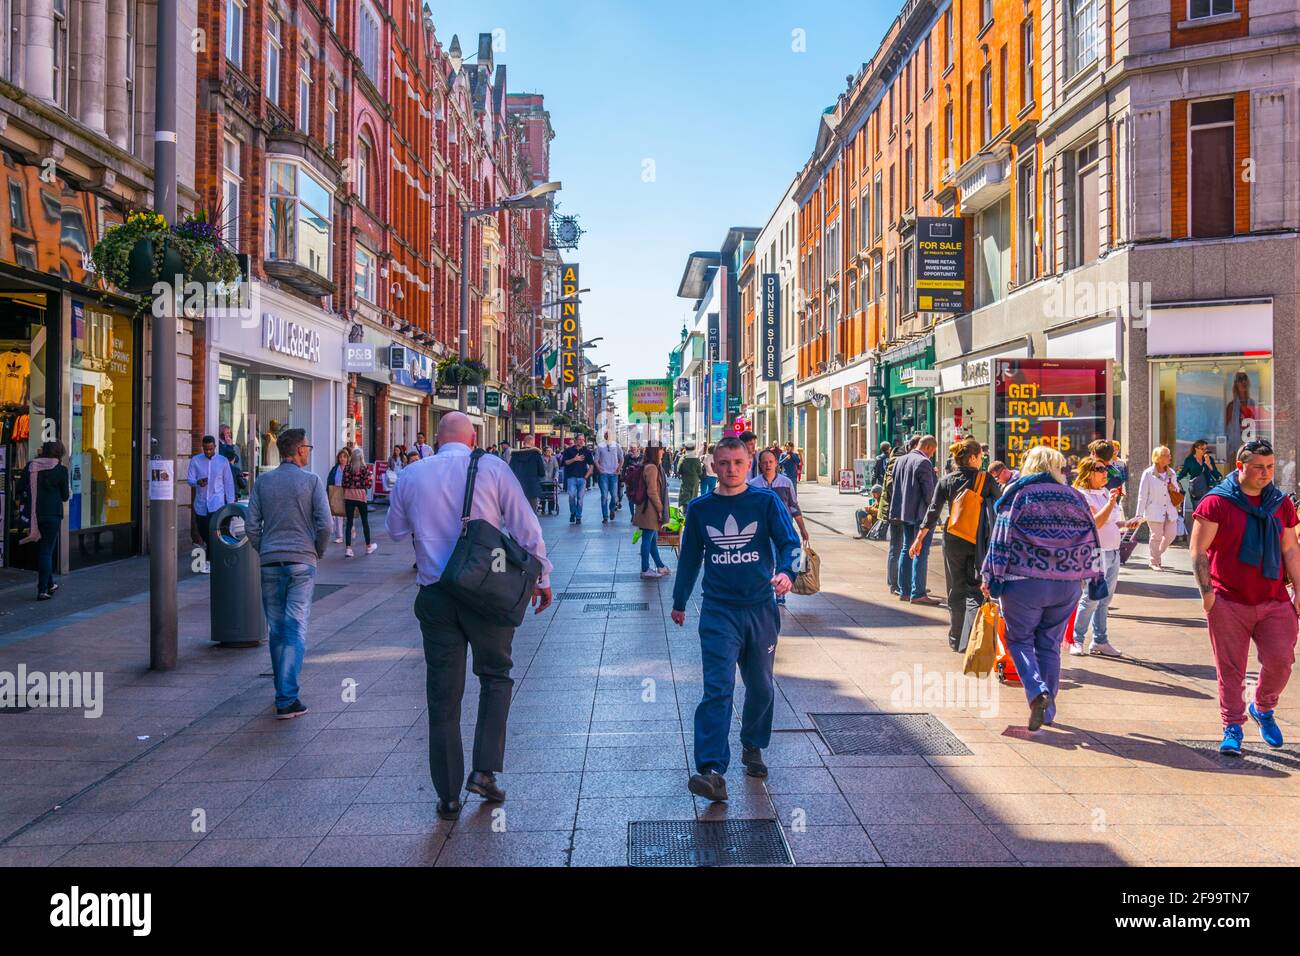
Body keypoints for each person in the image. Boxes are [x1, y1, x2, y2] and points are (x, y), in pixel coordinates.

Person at [385, 412, 553, 820]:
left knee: (443, 695)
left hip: (436, 596)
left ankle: (447, 796)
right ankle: (484, 771)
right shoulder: (492, 468)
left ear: (436, 438)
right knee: (495, 677)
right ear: (473, 438)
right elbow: (525, 525)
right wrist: (542, 575)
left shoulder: (411, 474)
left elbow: (395, 530)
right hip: (485, 591)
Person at [671, 437, 799, 802]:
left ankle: (753, 744)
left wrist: (787, 572)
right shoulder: (700, 509)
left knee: (761, 686)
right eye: (724, 463)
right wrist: (680, 600)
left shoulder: (766, 502)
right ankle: (711, 770)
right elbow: (690, 558)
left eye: (738, 462)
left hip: (760, 609)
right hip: (718, 612)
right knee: (718, 689)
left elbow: (789, 543)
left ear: (748, 464)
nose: (731, 469)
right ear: (713, 466)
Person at [981, 445, 1106, 731]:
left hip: (1023, 583)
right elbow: (1093, 539)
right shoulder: (1075, 497)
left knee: (1019, 640)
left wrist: (992, 576)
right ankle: (1047, 712)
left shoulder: (1019, 495)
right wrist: (1096, 578)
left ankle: (1037, 690)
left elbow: (1001, 539)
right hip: (1067, 584)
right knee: (1050, 644)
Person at [1191, 439, 1300, 756]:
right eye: (1259, 467)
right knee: (1231, 670)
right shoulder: (1216, 502)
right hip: (1228, 599)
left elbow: (1291, 549)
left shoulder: (1280, 503)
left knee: (1281, 662)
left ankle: (1263, 707)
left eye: (1270, 467)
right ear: (1240, 466)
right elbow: (1198, 550)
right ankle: (1232, 726)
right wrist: (1208, 595)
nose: (1266, 473)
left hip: (1274, 599)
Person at [245, 428, 331, 719]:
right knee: (294, 628)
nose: (309, 451)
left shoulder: (263, 482)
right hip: (301, 562)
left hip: (270, 561)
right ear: (298, 450)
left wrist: (264, 548)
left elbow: (251, 525)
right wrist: (317, 551)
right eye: (308, 447)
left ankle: (282, 691)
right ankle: (287, 698)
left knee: (277, 629)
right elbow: (325, 524)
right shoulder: (312, 481)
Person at [909, 438, 999, 650]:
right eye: (981, 457)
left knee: (955, 590)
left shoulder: (946, 480)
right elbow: (1001, 504)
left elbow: (933, 512)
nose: (982, 460)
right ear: (973, 457)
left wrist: (919, 538)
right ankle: (972, 639)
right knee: (975, 588)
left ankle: (956, 638)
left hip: (953, 539)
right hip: (978, 540)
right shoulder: (986, 479)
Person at [1071, 455, 1130, 657]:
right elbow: (1095, 522)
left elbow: (1111, 521)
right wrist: (1111, 502)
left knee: (1105, 599)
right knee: (1091, 598)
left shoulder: (1104, 492)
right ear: (1088, 473)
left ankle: (1100, 640)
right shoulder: (1082, 496)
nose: (1105, 473)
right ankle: (1077, 639)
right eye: (1100, 469)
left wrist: (1126, 524)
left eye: (1105, 469)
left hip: (1113, 550)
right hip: (1095, 552)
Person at [890, 435, 941, 606]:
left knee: (907, 548)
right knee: (920, 551)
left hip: (904, 512)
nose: (932, 455)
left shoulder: (900, 460)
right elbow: (929, 493)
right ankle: (918, 592)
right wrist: (935, 513)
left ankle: (904, 590)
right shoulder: (924, 462)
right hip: (921, 514)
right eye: (933, 452)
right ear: (928, 447)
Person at [187, 434, 237, 571]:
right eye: (206, 449)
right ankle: (214, 558)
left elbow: (228, 483)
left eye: (210, 449)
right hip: (201, 504)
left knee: (213, 534)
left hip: (217, 504)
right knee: (203, 532)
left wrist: (230, 504)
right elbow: (190, 480)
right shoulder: (196, 460)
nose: (208, 451)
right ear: (202, 447)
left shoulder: (222, 461)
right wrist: (197, 482)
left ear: (215, 446)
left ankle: (210, 561)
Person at [28, 440, 69, 600]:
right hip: (52, 515)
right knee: (46, 551)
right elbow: (65, 496)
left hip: (35, 514)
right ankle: (42, 590)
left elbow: (21, 487)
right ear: (59, 453)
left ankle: (50, 584)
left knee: (45, 550)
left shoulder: (32, 467)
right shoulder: (61, 470)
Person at [1135, 445, 1180, 571]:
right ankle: (1154, 561)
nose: (1170, 457)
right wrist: (1139, 515)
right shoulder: (1148, 473)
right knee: (1156, 536)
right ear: (1158, 458)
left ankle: (1156, 555)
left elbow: (1177, 490)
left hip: (1169, 509)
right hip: (1154, 509)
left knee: (1171, 535)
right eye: (1167, 455)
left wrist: (1174, 488)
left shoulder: (1171, 473)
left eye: (1169, 454)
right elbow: (1142, 495)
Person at [634, 446, 671, 579]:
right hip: (649, 509)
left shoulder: (653, 466)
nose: (663, 452)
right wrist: (660, 509)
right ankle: (645, 569)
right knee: (647, 539)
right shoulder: (652, 468)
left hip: (649, 508)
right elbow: (652, 491)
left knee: (652, 539)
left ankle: (660, 566)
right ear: (655, 451)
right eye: (661, 449)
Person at [342, 448, 377, 557]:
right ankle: (368, 546)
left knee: (349, 523)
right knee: (364, 521)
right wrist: (370, 478)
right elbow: (368, 484)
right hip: (361, 497)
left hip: (349, 496)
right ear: (361, 457)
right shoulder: (364, 468)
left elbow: (344, 483)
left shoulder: (347, 468)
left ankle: (348, 549)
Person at [1178, 439, 1222, 515]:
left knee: (1208, 513)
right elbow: (1183, 473)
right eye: (1202, 449)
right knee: (1198, 512)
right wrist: (1174, 478)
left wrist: (1209, 465)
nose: (1205, 451)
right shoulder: (1189, 460)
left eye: (1206, 449)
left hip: (1208, 489)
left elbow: (1217, 476)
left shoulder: (1209, 459)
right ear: (1196, 449)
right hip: (1196, 490)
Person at [561, 433, 595, 524]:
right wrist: (574, 459)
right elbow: (564, 463)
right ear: (575, 440)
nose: (581, 441)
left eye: (583, 440)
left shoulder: (587, 451)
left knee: (580, 498)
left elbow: (591, 465)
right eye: (579, 439)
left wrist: (586, 476)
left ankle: (578, 516)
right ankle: (573, 512)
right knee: (571, 496)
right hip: (571, 477)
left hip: (582, 478)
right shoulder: (568, 450)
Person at [509, 434, 546, 513]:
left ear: (523, 443)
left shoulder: (515, 455)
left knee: (520, 512)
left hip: (518, 487)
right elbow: (542, 473)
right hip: (532, 487)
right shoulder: (536, 455)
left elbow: (510, 471)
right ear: (533, 443)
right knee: (532, 513)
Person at [594, 431, 625, 524]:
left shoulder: (617, 446)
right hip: (603, 474)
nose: (608, 436)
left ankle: (612, 509)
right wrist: (599, 469)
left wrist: (618, 469)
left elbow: (622, 459)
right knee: (604, 496)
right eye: (606, 435)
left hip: (614, 474)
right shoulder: (600, 446)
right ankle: (605, 517)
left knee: (614, 496)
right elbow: (595, 460)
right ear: (604, 436)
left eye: (610, 435)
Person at [1224, 371, 1259, 454]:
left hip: (1250, 446)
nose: (1243, 382)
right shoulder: (1232, 406)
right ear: (1236, 384)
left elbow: (1256, 425)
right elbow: (1227, 429)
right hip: (1235, 448)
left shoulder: (1252, 403)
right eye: (1240, 379)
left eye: (1245, 378)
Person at [326, 448, 349, 543]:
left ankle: (351, 529)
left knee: (349, 514)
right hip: (337, 492)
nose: (342, 459)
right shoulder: (335, 469)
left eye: (344, 457)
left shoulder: (350, 468)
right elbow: (329, 481)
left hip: (348, 493)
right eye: (340, 457)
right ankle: (339, 536)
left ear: (347, 458)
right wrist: (329, 492)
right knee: (338, 515)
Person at [218, 424, 247, 496]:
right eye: (227, 433)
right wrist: (229, 446)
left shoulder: (226, 444)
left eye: (230, 433)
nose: (229, 435)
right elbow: (230, 457)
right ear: (221, 433)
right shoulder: (219, 445)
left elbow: (236, 458)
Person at [676, 441, 703, 510]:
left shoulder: (682, 458)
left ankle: (685, 511)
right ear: (694, 449)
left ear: (685, 449)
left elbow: (678, 470)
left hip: (685, 480)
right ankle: (691, 511)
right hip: (694, 480)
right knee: (693, 496)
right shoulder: (696, 459)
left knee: (685, 497)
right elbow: (700, 472)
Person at [541, 445, 560, 515]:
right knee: (542, 495)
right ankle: (543, 509)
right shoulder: (540, 459)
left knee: (551, 495)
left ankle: (550, 509)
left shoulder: (553, 459)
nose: (550, 452)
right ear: (544, 452)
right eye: (548, 451)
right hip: (542, 480)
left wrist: (556, 477)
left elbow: (557, 469)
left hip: (551, 480)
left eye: (550, 451)